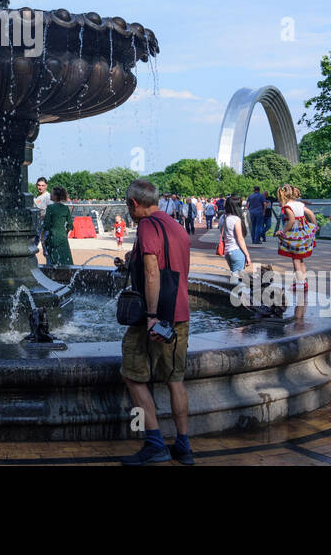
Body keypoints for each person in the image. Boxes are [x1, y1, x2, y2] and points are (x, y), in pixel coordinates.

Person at [120, 179, 193, 465]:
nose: (129, 211)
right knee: (175, 380)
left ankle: (154, 443)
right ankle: (184, 447)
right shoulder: (173, 225)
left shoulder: (147, 226)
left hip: (153, 319)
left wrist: (150, 317)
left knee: (131, 373)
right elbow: (169, 263)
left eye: (129, 206)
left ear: (134, 204)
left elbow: (153, 274)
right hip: (180, 315)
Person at [276, 184, 318, 288]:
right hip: (303, 233)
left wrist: (282, 231)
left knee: (295, 259)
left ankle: (299, 283)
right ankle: (303, 282)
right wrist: (314, 225)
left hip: (295, 234)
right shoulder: (299, 204)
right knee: (301, 259)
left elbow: (292, 220)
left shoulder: (287, 207)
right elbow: (311, 214)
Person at [216, 196, 251, 280]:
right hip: (236, 250)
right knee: (238, 281)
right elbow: (240, 239)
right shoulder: (235, 219)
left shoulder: (222, 218)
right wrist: (247, 255)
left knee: (234, 277)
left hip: (227, 251)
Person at [42, 186, 74, 266]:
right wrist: (65, 233)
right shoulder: (65, 208)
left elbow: (46, 225)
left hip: (53, 237)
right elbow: (70, 225)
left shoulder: (50, 208)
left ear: (56, 196)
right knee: (65, 260)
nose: (50, 195)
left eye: (52, 194)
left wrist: (42, 236)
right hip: (63, 237)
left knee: (53, 260)